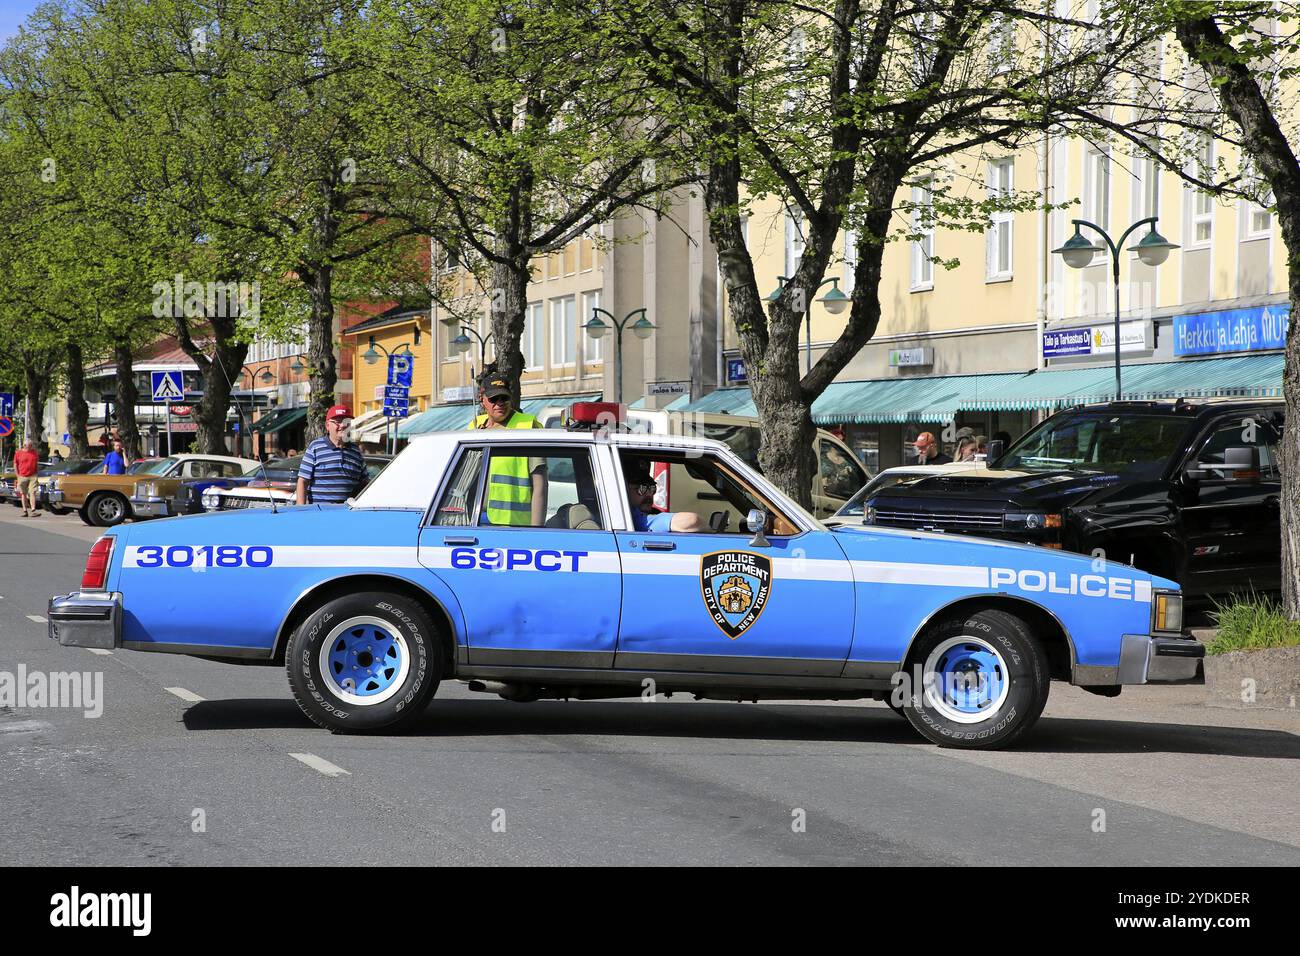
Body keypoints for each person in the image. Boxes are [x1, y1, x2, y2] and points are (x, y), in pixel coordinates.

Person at [467, 371, 547, 526]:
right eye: (493, 399)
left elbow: (540, 486)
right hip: (473, 518)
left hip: (513, 526)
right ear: (482, 400)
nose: (500, 403)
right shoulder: (475, 427)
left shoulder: (528, 427)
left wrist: (536, 531)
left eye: (504, 397)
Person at [296, 405, 367, 505]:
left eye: (346, 422)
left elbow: (365, 483)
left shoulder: (356, 451)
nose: (342, 425)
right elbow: (302, 481)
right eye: (337, 422)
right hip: (319, 513)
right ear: (327, 426)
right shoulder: (315, 447)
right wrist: (301, 510)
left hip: (347, 513)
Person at [623, 457, 703, 533]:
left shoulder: (651, 512)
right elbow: (692, 520)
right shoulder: (631, 518)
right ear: (625, 489)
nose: (649, 493)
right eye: (642, 489)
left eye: (652, 488)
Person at [14, 440, 41, 517]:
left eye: (31, 445)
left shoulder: (34, 452)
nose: (30, 447)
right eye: (29, 446)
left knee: (33, 493)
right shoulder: (18, 453)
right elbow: (15, 464)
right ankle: (25, 511)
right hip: (22, 476)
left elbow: (36, 463)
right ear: (24, 445)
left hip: (33, 476)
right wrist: (17, 475)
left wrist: (36, 473)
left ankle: (33, 510)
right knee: (23, 494)